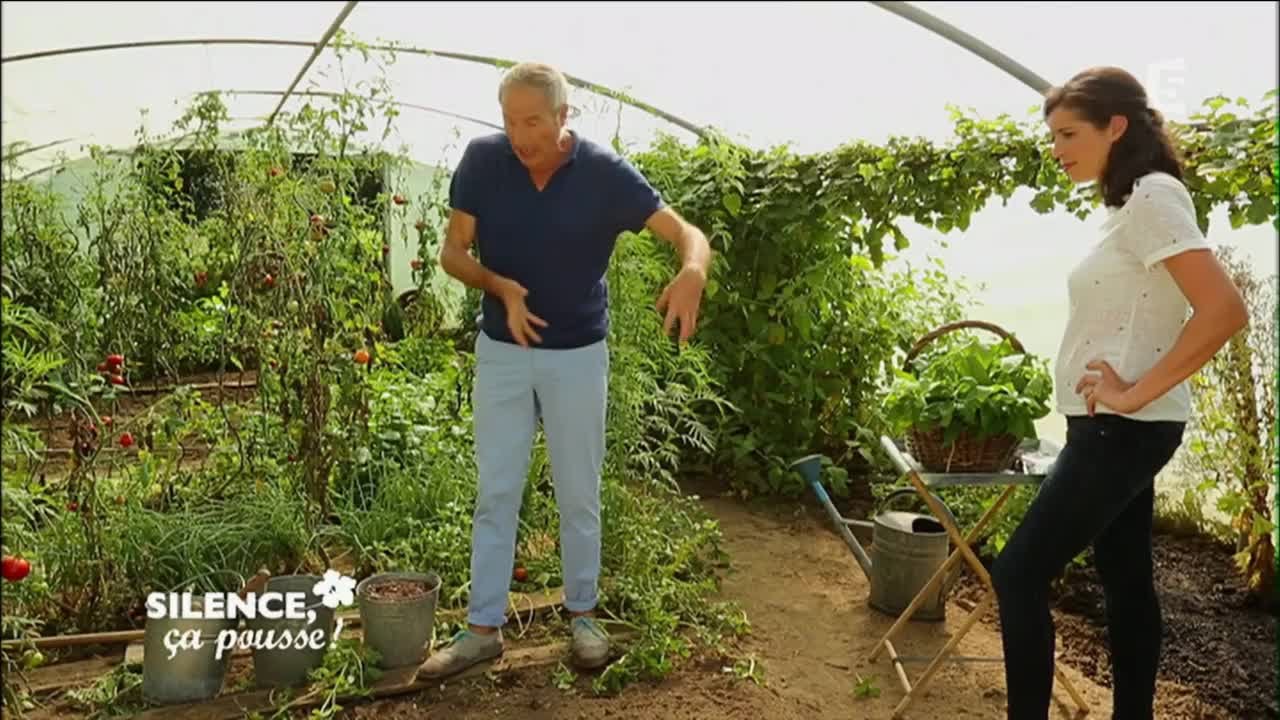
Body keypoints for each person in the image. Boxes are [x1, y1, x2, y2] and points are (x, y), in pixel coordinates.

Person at [416, 61, 713, 680]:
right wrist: (499, 286)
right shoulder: (484, 161)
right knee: (497, 492)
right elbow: (452, 250)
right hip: (501, 353)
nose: (520, 135)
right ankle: (482, 630)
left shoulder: (602, 173)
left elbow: (686, 232)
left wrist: (693, 271)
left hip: (578, 356)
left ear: (562, 117)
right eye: (509, 120)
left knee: (579, 490)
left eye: (532, 121)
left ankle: (583, 617)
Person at [990, 66, 1249, 720]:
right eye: (1052, 136)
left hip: (1122, 429)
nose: (1057, 149)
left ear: (1117, 126)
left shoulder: (1154, 197)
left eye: (1069, 133)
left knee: (1018, 571)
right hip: (1112, 426)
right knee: (1126, 577)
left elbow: (1222, 309)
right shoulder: (1127, 206)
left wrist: (1132, 395)